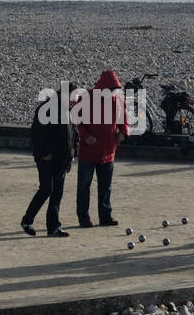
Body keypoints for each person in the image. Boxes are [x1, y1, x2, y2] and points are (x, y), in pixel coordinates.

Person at [74, 70, 130, 227]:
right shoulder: (86, 97)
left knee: (106, 187)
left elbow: (124, 120)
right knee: (84, 187)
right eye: (111, 89)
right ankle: (84, 218)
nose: (113, 92)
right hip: (88, 152)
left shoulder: (118, 100)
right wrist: (85, 136)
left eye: (114, 89)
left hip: (108, 152)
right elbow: (77, 120)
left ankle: (105, 217)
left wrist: (124, 132)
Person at [22, 86, 77, 237]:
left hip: (63, 159)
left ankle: (53, 227)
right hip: (47, 158)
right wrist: (45, 153)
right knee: (47, 189)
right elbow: (37, 133)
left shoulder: (70, 110)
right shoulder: (47, 107)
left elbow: (74, 134)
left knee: (57, 192)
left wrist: (73, 153)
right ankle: (27, 220)